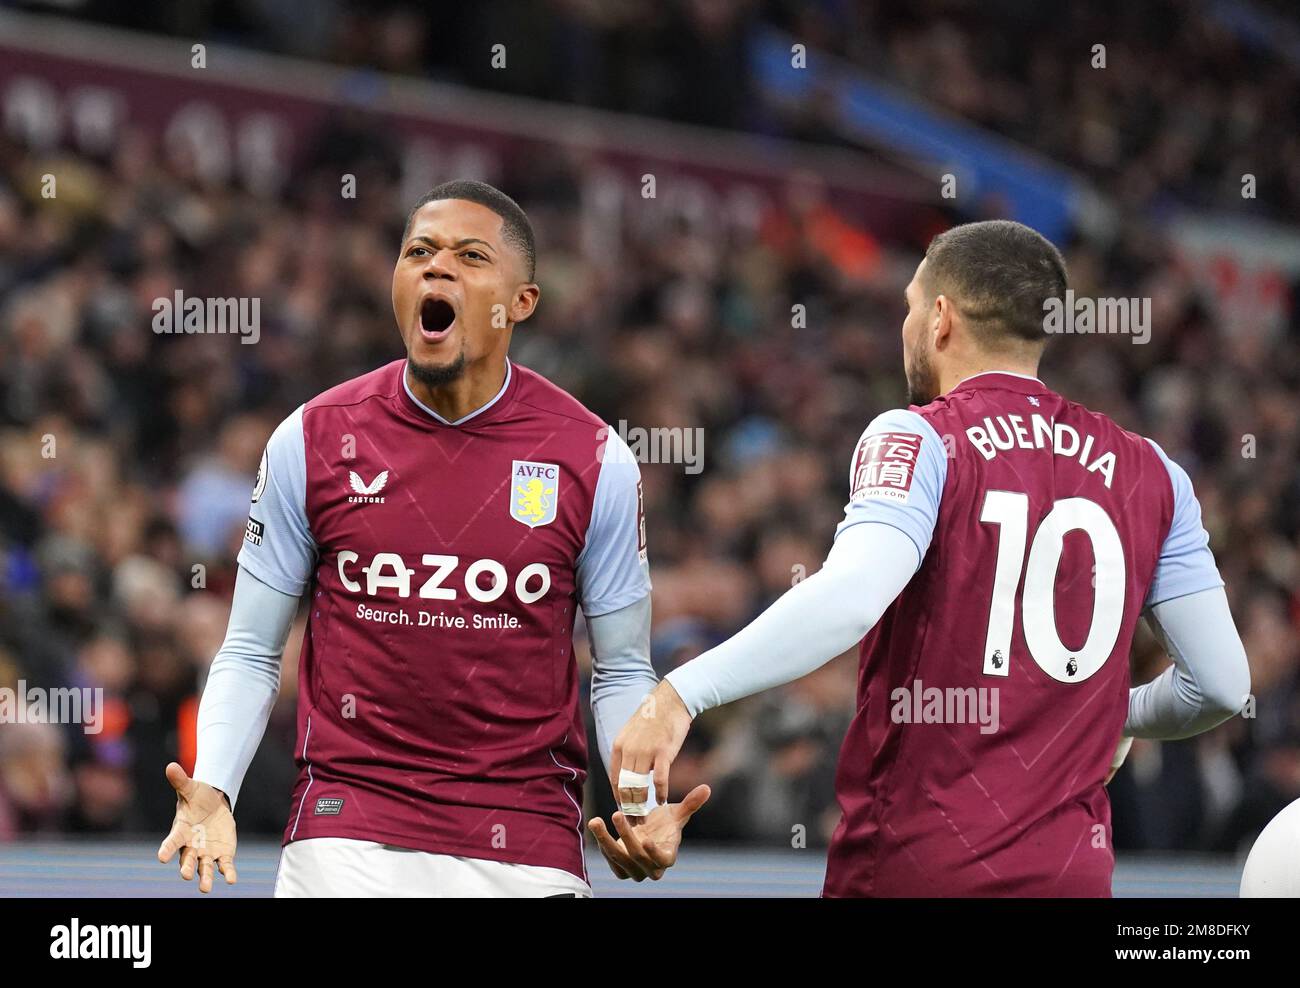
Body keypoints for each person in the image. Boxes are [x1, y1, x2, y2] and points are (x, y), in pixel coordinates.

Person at [606, 220, 1251, 896]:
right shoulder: (1154, 472)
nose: (906, 326)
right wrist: (1112, 712)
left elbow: (853, 596)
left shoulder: (920, 437)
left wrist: (681, 694)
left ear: (941, 318)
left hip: (919, 867)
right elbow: (1222, 686)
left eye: (911, 305)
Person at [157, 180, 706, 896]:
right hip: (345, 832)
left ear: (521, 303)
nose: (436, 268)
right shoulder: (313, 438)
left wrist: (634, 805)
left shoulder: (594, 458)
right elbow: (253, 650)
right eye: (419, 251)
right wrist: (214, 786)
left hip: (528, 839)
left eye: (470, 256)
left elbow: (620, 669)